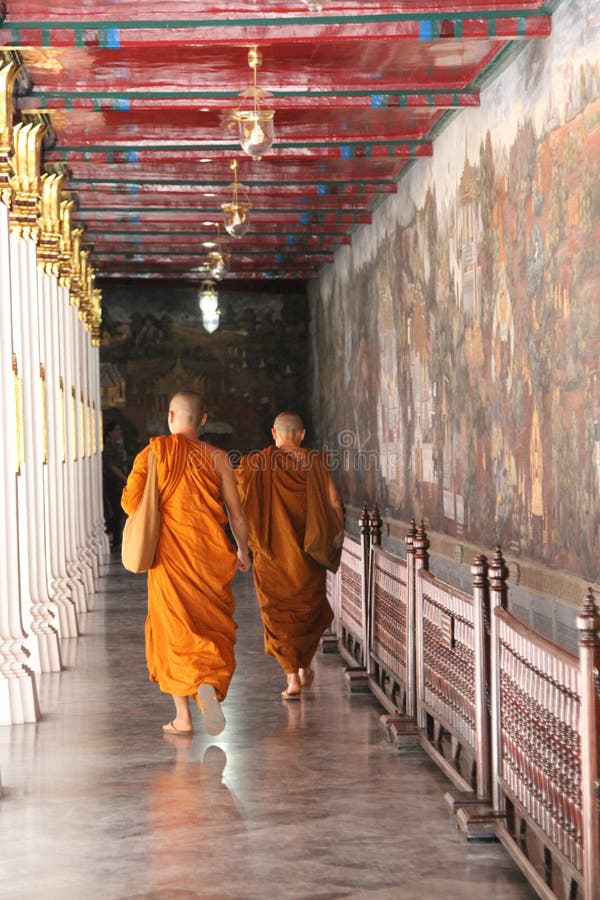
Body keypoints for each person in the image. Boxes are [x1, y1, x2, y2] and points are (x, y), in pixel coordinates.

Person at [121, 392, 250, 736]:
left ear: (171, 415)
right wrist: (244, 551)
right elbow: (237, 515)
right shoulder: (220, 458)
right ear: (204, 419)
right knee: (209, 627)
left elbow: (130, 502)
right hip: (210, 557)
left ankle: (183, 717)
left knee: (173, 632)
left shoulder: (154, 453)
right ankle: (206, 683)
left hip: (169, 559)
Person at [237, 412, 344, 699]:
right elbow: (334, 502)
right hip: (309, 556)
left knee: (279, 615)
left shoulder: (257, 464)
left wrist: (242, 545)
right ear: (302, 434)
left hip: (272, 556)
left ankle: (292, 678)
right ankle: (303, 669)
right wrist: (332, 539)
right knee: (307, 613)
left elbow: (240, 506)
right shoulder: (314, 462)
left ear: (274, 433)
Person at [102, 421, 128, 549]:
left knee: (120, 510)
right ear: (110, 433)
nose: (119, 432)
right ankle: (114, 536)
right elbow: (111, 466)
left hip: (120, 482)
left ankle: (116, 537)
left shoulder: (118, 446)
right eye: (116, 430)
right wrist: (124, 478)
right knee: (116, 510)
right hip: (113, 482)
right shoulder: (109, 448)